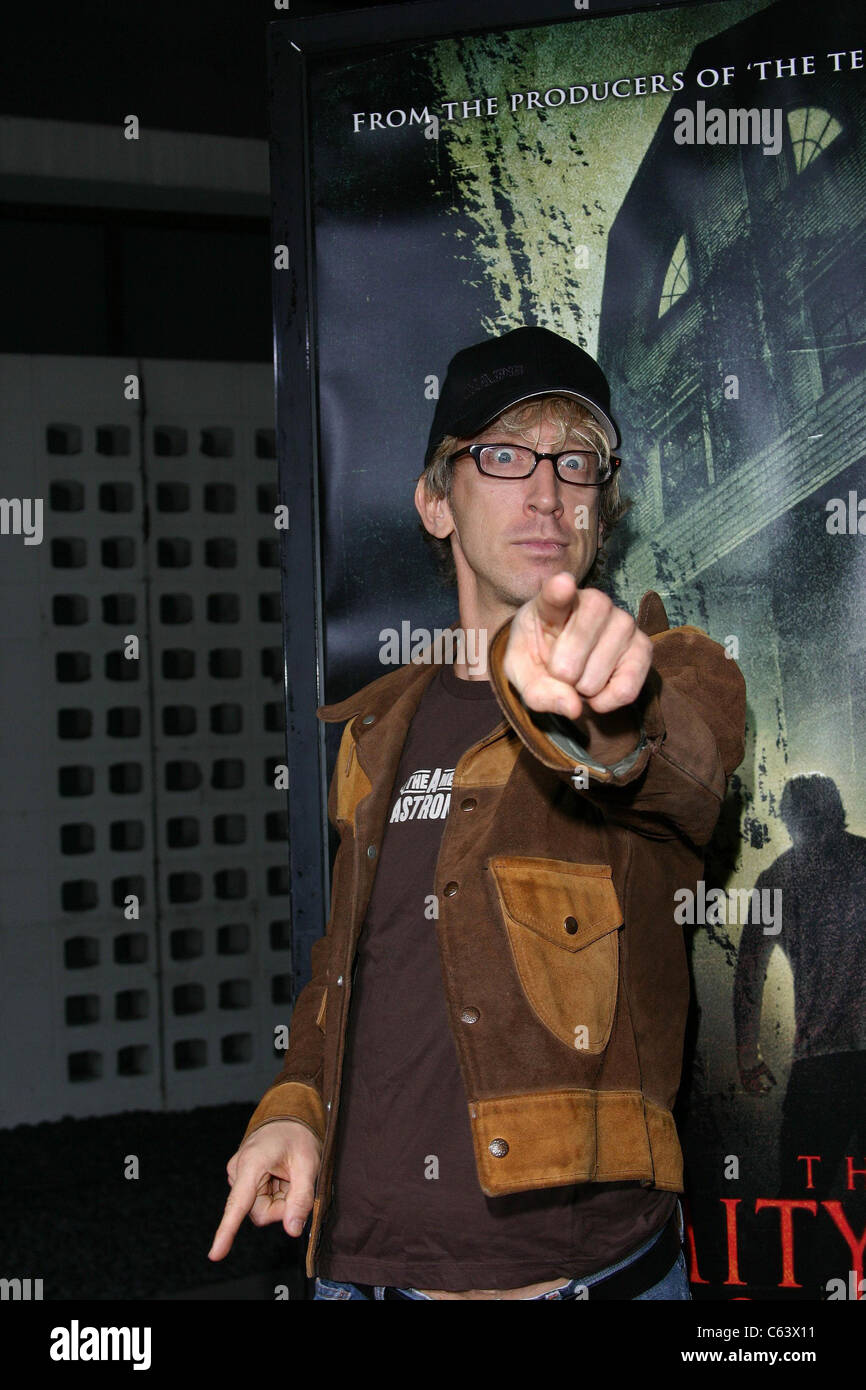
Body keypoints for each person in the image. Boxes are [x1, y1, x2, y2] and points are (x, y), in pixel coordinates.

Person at [209, 324, 746, 1300]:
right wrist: (297, 1107)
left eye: (573, 461)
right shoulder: (374, 728)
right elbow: (348, 967)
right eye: (501, 456)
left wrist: (606, 706)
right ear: (433, 502)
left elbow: (672, 761)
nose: (544, 490)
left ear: (601, 503)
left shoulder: (675, 673)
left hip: (570, 1285)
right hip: (353, 1275)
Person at [735, 773, 866, 1295]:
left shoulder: (778, 879)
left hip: (821, 1065)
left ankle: (789, 1307)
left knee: (799, 1203)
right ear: (837, 811)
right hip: (837, 1057)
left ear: (789, 821)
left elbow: (749, 973)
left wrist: (748, 1055)